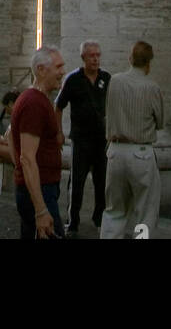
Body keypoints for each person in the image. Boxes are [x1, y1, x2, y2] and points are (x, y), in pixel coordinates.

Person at [100, 39, 164, 240]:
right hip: (141, 154)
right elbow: (160, 121)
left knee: (113, 210)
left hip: (116, 152)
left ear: (130, 58)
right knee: (145, 212)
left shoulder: (115, 81)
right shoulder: (151, 87)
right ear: (149, 63)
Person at [9, 46, 66, 239]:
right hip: (38, 191)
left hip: (39, 188)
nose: (62, 72)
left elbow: (11, 137)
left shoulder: (39, 100)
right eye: (58, 67)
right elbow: (27, 157)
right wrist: (41, 210)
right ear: (41, 70)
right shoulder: (33, 103)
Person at [56, 39, 111, 235]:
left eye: (98, 55)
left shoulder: (106, 78)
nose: (95, 59)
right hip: (81, 139)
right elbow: (59, 105)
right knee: (77, 182)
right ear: (83, 58)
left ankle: (99, 218)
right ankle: (73, 222)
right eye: (91, 56)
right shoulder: (73, 80)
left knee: (102, 181)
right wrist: (59, 131)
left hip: (101, 140)